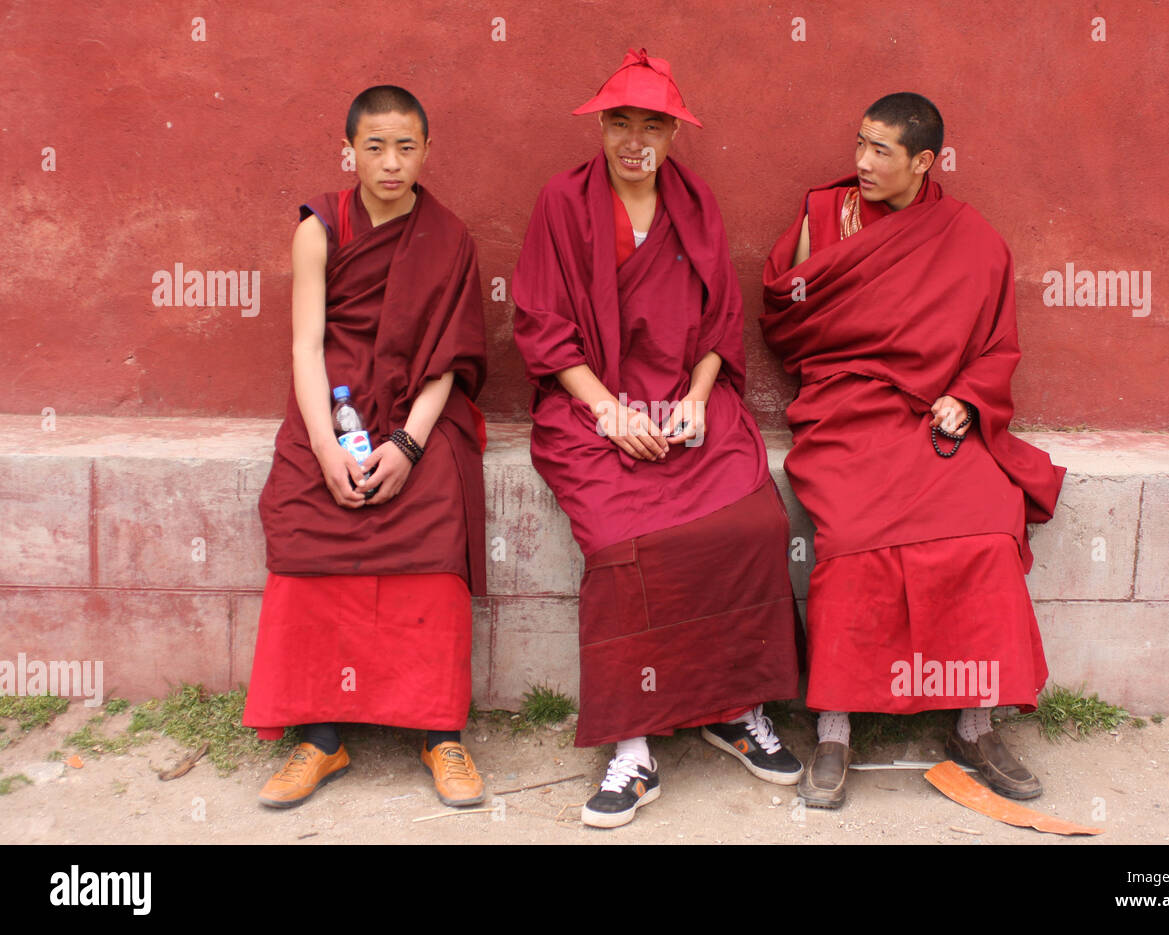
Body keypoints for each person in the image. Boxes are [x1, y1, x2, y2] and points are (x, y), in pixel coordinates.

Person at [512, 49, 803, 828]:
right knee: (620, 541)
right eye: (620, 121)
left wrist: (700, 399)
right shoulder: (562, 203)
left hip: (684, 407)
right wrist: (609, 410)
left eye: (652, 124)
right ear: (600, 126)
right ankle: (633, 747)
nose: (634, 139)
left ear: (674, 134)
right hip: (592, 409)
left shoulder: (695, 203)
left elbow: (719, 322)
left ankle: (735, 707)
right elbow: (541, 323)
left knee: (755, 521)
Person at [761, 93, 1066, 808]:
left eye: (882, 151)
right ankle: (834, 728)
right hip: (848, 410)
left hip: (934, 415)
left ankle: (975, 723)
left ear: (924, 162)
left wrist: (969, 394)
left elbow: (995, 347)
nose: (862, 162)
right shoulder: (821, 217)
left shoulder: (972, 239)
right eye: (859, 144)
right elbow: (787, 318)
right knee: (854, 536)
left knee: (987, 526)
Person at [243, 85, 489, 809]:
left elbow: (449, 361)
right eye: (374, 147)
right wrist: (323, 448)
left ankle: (440, 730)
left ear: (427, 151)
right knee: (305, 526)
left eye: (406, 147)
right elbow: (306, 344)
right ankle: (321, 737)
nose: (390, 162)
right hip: (332, 412)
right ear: (348, 150)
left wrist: (410, 444)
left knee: (434, 521)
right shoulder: (320, 227)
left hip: (417, 414)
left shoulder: (450, 238)